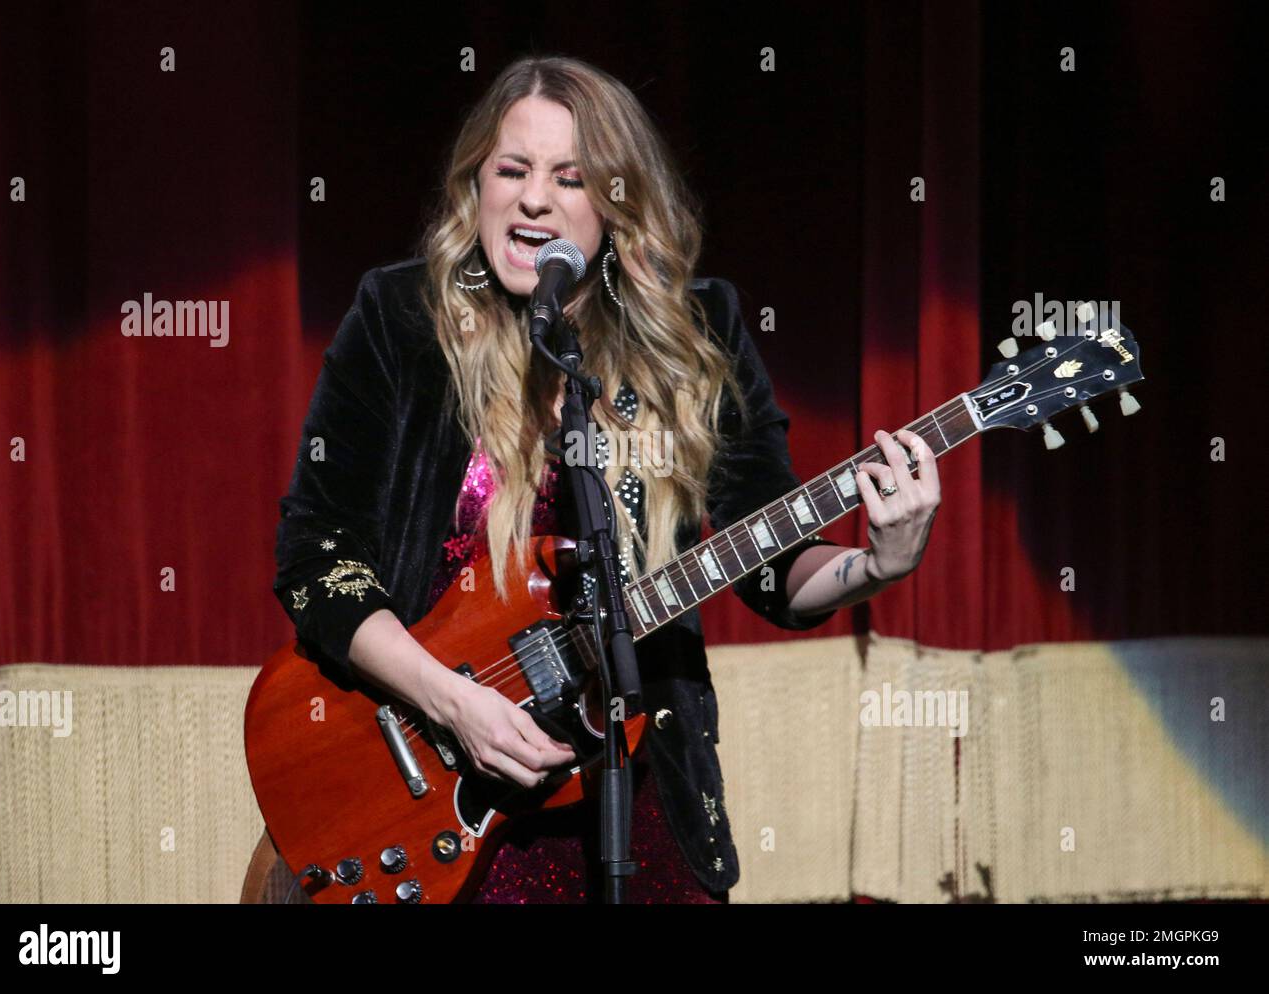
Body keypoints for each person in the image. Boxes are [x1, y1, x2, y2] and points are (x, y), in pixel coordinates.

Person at [273, 55, 941, 904]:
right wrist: (453, 704)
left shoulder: (700, 333)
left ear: (617, 202)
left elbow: (774, 565)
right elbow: (316, 557)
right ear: (476, 185)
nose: (533, 199)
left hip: (639, 792)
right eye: (511, 171)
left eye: (570, 178)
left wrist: (880, 563)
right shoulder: (402, 320)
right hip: (439, 780)